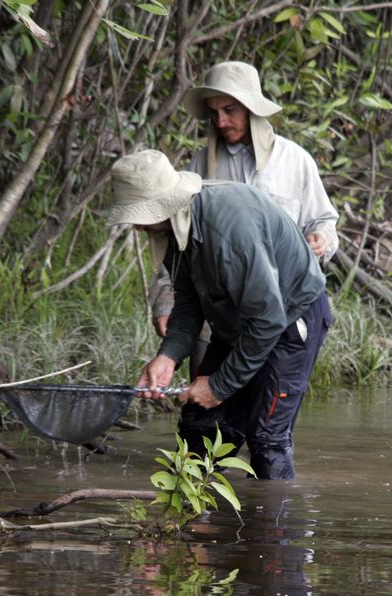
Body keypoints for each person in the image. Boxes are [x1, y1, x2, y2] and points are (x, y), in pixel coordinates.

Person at [108, 149, 333, 480]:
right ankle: (197, 527)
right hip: (238, 319)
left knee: (267, 441)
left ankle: (270, 526)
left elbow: (268, 320)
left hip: (289, 319)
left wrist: (219, 386)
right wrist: (167, 357)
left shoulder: (230, 233)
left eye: (137, 215)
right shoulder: (175, 227)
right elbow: (188, 300)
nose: (136, 226)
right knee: (199, 429)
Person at [149, 61, 339, 340]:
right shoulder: (200, 166)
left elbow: (323, 220)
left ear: (251, 107)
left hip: (283, 309)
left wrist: (321, 239)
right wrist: (166, 300)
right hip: (215, 314)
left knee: (274, 382)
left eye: (230, 110)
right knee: (208, 379)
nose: (221, 122)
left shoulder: (294, 161)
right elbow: (178, 238)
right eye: (214, 113)